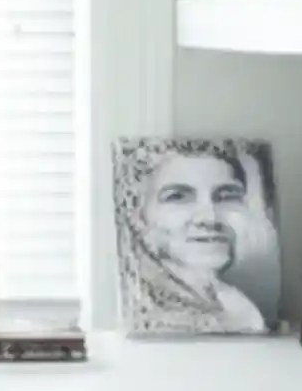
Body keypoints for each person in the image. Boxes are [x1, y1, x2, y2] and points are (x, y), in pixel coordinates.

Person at [116, 140, 276, 334]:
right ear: (138, 215)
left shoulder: (235, 304)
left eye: (226, 196)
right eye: (177, 197)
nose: (209, 218)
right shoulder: (149, 314)